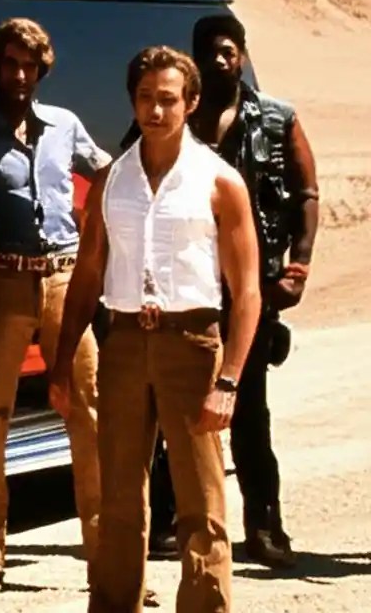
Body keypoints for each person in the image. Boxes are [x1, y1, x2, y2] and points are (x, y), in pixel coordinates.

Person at [48, 45, 262, 612]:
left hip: (190, 346)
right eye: (146, 98)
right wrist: (64, 359)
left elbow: (247, 293)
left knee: (200, 501)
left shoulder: (220, 182)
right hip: (122, 344)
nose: (155, 111)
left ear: (190, 103)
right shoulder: (112, 179)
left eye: (168, 99)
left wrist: (230, 380)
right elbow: (88, 273)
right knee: (118, 497)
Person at [0, 17, 113, 606]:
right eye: (9, 64)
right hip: (2, 281)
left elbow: (105, 173)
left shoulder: (64, 125)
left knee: (88, 412)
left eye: (29, 65)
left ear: (43, 68)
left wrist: (96, 236)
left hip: (64, 281)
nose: (19, 75)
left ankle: (107, 557)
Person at [158, 13, 318, 568]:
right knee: (174, 406)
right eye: (211, 51)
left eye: (230, 50)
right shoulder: (174, 114)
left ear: (244, 55)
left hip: (252, 290)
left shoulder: (276, 119)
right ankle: (174, 521)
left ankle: (265, 525)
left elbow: (305, 194)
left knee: (249, 410)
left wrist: (297, 266)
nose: (221, 59)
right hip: (186, 287)